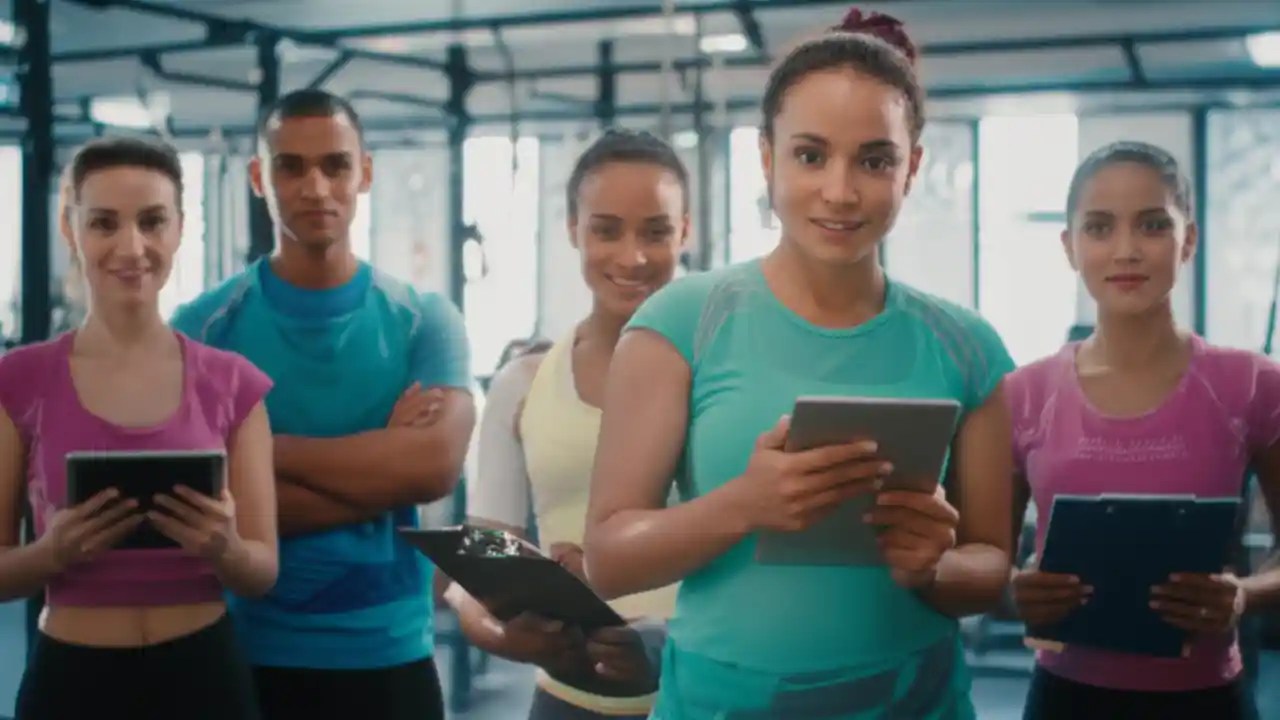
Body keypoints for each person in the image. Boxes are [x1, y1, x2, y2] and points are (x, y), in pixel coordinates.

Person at [583, 10, 1016, 719]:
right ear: (767, 157)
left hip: (915, 701)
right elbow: (608, 559)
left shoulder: (968, 347)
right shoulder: (680, 324)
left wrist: (935, 566)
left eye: (874, 160)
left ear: (912, 166)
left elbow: (991, 564)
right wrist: (743, 505)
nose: (840, 192)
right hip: (722, 703)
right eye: (811, 155)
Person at [170, 89, 475, 720]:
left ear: (364, 172)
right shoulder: (202, 329)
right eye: (291, 166)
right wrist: (380, 464)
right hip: (247, 650)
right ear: (259, 177)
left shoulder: (425, 322)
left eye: (335, 165)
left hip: (388, 652)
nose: (316, 187)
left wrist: (261, 453)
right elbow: (195, 505)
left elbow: (431, 470)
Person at [0, 136, 279, 720]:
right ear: (70, 230)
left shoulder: (233, 384)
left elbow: (262, 571)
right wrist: (51, 553)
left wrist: (224, 548)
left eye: (153, 222)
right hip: (72, 680)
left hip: (202, 675)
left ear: (180, 229)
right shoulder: (18, 381)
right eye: (104, 223)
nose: (132, 247)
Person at [1007, 141, 1280, 720]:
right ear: (1069, 245)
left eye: (1153, 225)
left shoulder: (1252, 384)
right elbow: (984, 559)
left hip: (1207, 700)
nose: (1126, 250)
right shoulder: (1024, 393)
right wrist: (1013, 587)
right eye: (1099, 228)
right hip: (1065, 698)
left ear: (1188, 240)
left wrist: (1243, 595)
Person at [448, 129, 688, 719]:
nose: (631, 256)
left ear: (685, 233)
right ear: (573, 231)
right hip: (568, 704)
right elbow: (480, 564)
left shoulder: (725, 377)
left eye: (655, 231)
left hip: (705, 699)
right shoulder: (524, 384)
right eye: (606, 230)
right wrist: (508, 638)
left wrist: (667, 646)